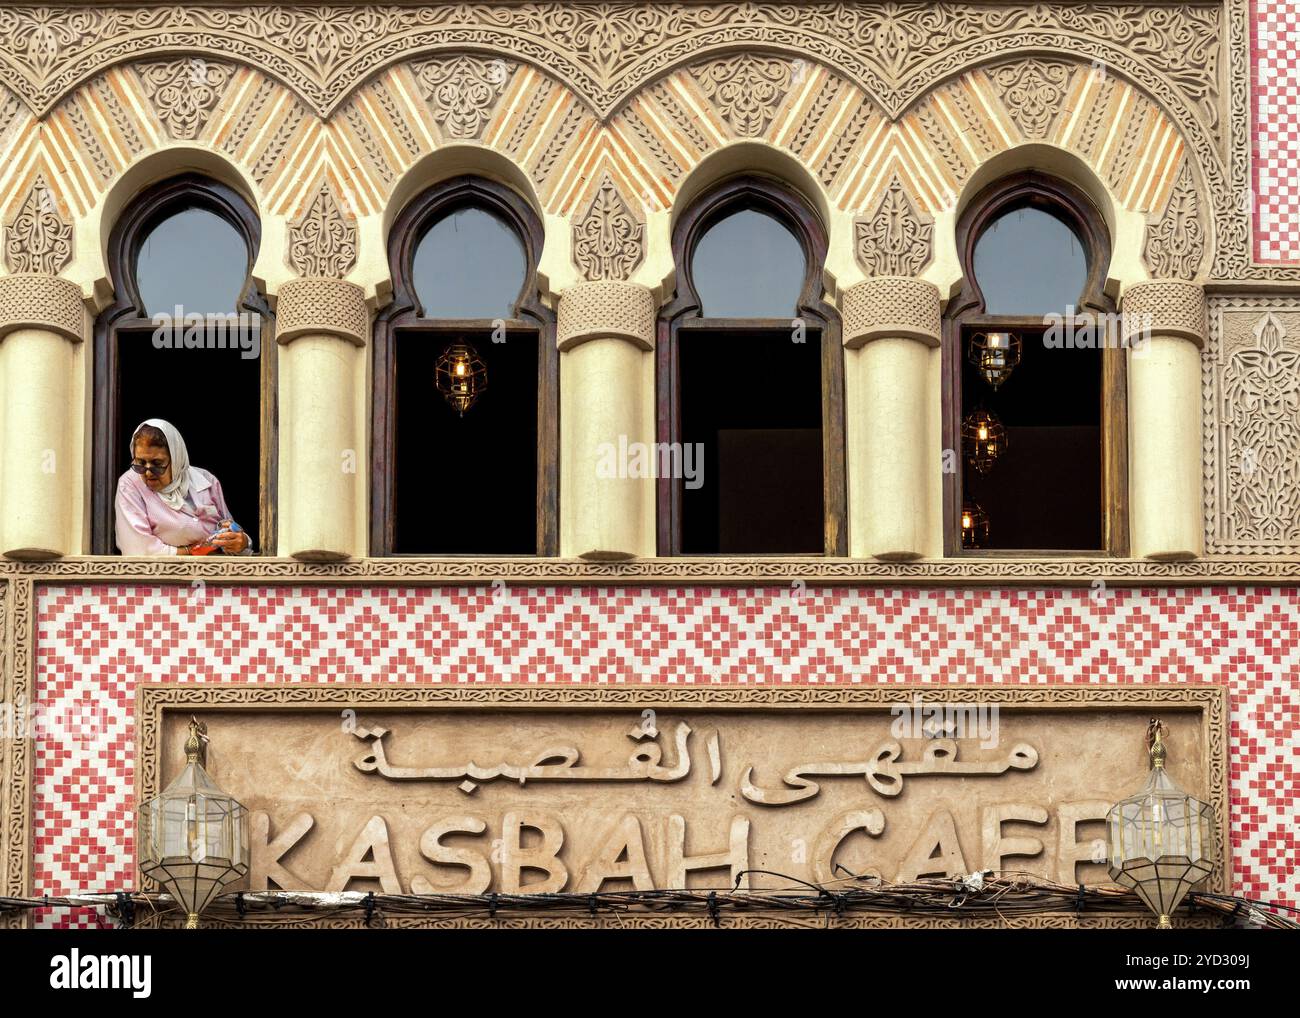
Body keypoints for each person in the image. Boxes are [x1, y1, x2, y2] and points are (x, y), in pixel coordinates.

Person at [115, 418, 253, 555]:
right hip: (162, 575)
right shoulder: (130, 485)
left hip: (213, 573)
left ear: (176, 459)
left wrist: (241, 541)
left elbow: (229, 532)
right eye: (140, 463)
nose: (148, 472)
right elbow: (139, 548)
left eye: (157, 463)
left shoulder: (206, 480)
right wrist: (190, 551)